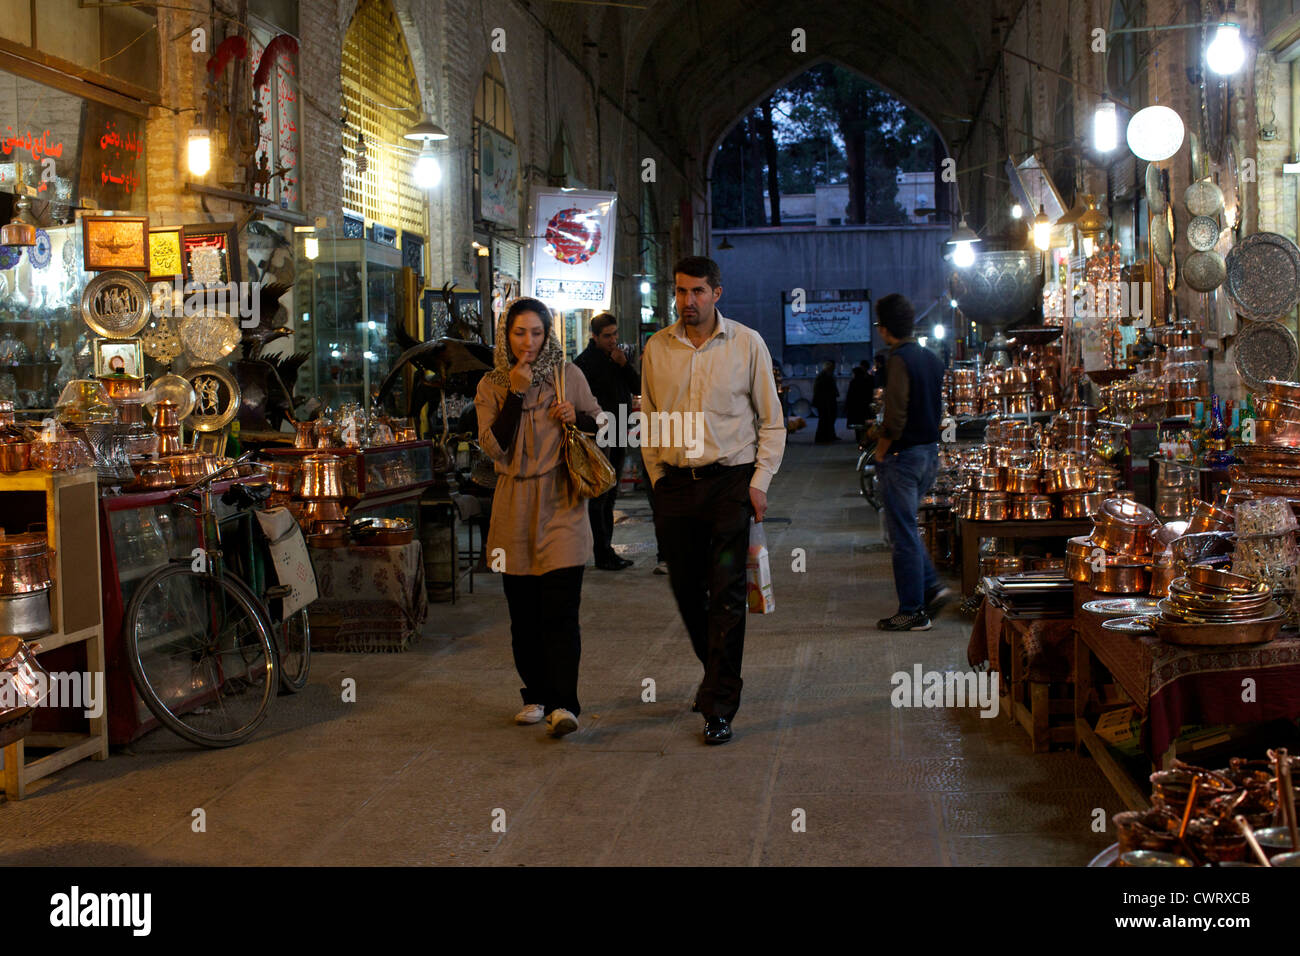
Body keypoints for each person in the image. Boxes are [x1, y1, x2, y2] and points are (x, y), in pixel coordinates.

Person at [641, 256, 786, 745]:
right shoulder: (657, 348)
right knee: (686, 590)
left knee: (725, 593)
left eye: (698, 291)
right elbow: (651, 420)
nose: (688, 301)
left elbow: (772, 420)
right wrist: (658, 476)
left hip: (729, 485)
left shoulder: (747, 343)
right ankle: (714, 675)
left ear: (717, 293)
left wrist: (759, 481)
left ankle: (720, 705)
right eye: (681, 292)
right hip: (677, 487)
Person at [475, 297, 602, 737]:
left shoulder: (568, 376)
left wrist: (578, 417)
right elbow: (495, 447)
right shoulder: (491, 384)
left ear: (548, 335)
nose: (528, 342)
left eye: (536, 333)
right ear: (505, 336)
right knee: (523, 612)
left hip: (563, 500)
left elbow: (604, 423)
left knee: (561, 609)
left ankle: (565, 704)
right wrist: (514, 391)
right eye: (519, 333)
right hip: (513, 506)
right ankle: (535, 694)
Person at [870, 293, 953, 631]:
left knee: (901, 536)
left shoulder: (898, 360)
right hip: (928, 454)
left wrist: (881, 449)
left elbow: (895, 415)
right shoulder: (931, 358)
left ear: (884, 328)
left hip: (903, 457)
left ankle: (912, 611)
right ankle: (931, 587)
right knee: (907, 529)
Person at [574, 313, 640, 571]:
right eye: (607, 336)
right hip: (600, 436)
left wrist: (624, 365)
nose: (613, 340)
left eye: (615, 334)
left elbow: (636, 386)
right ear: (594, 336)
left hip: (619, 432)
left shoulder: (618, 358)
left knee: (611, 495)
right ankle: (602, 553)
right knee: (601, 495)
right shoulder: (584, 364)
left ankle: (607, 550)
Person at [843, 360, 875, 444]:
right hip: (865, 405)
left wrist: (847, 406)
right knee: (865, 423)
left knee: (858, 425)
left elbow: (850, 395)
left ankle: (859, 439)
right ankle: (866, 438)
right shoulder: (867, 380)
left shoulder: (854, 382)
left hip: (856, 406)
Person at [812, 360, 839, 443]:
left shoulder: (827, 375)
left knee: (827, 419)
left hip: (827, 401)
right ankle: (822, 437)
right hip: (824, 402)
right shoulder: (824, 376)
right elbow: (822, 389)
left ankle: (828, 436)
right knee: (824, 420)